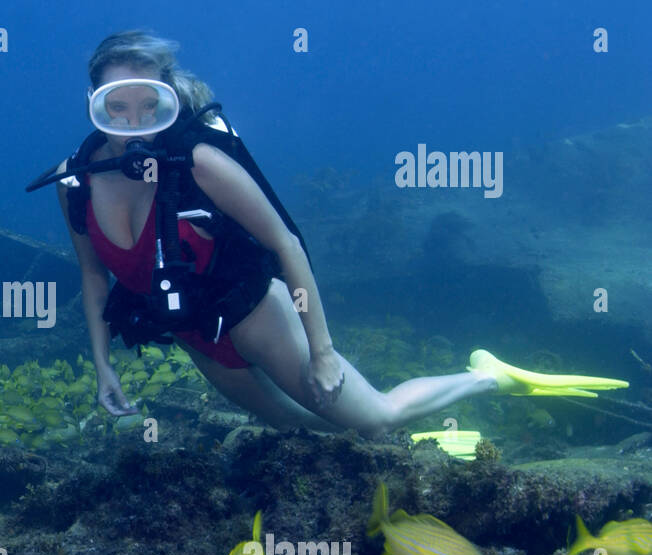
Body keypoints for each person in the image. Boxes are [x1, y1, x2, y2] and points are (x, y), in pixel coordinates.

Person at [32, 31, 626, 439]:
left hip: (254, 315)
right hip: (193, 331)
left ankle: (490, 376)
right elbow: (93, 274)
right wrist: (102, 366)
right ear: (92, 105)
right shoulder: (75, 183)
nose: (133, 126)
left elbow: (287, 244)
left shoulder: (202, 164)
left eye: (150, 107)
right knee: (300, 428)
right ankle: (417, 447)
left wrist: (321, 352)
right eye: (116, 108)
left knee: (373, 419)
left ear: (170, 103)